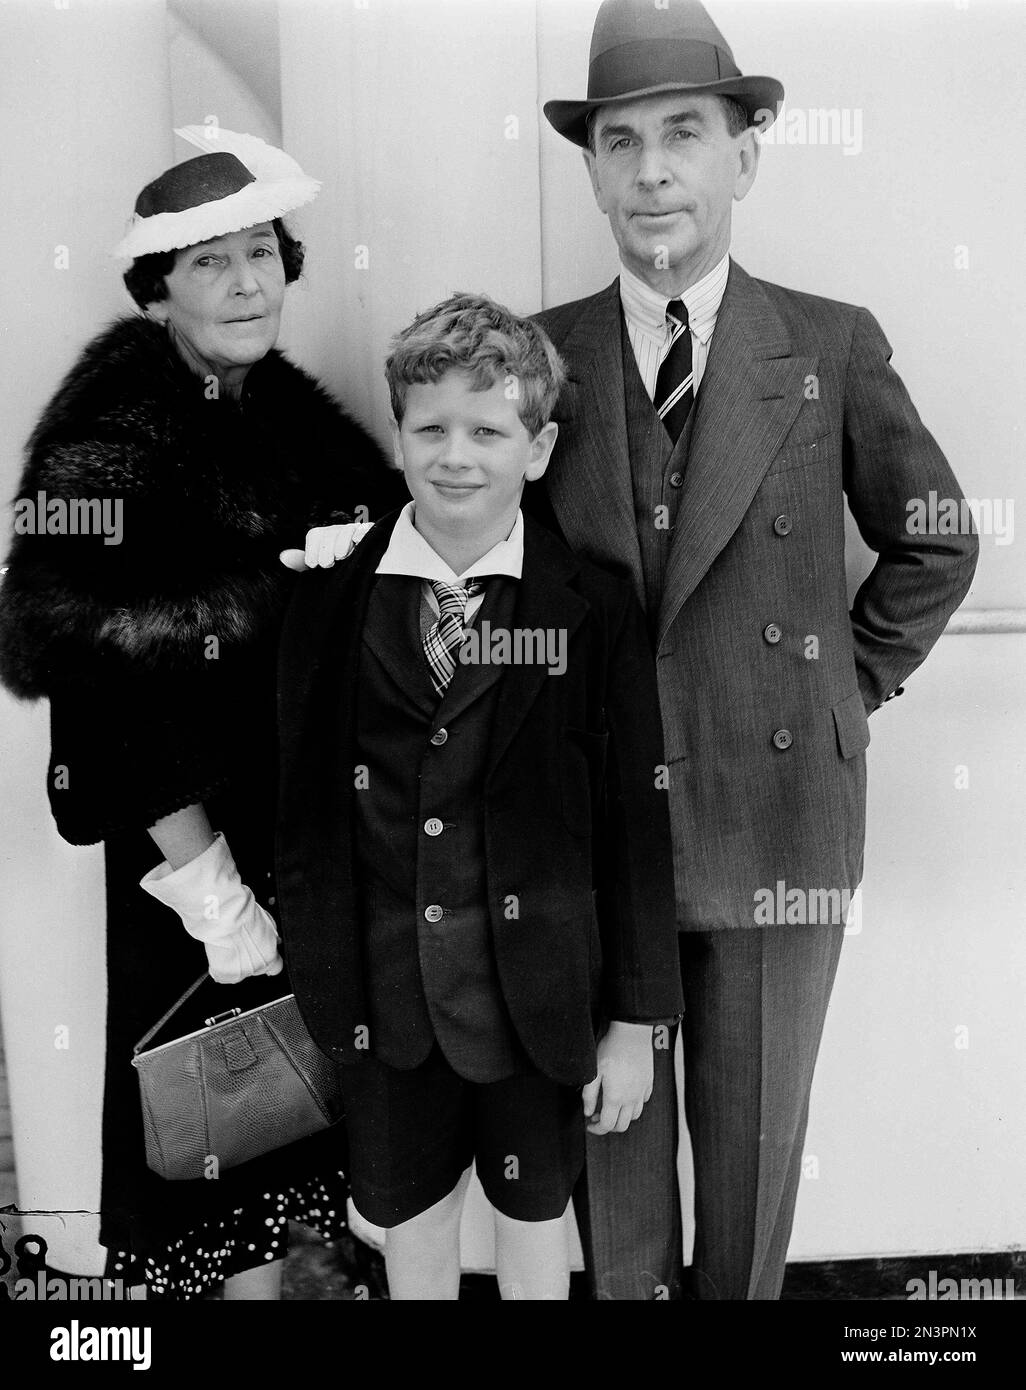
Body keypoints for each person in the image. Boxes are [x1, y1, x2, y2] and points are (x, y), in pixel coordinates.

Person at [524, 0, 980, 1298]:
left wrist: (848, 685)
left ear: (744, 155)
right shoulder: (537, 357)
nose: (653, 169)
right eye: (622, 142)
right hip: (598, 840)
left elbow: (935, 539)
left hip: (777, 823)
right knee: (612, 1191)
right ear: (594, 168)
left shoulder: (828, 343)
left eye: (684, 133)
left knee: (747, 1184)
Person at [0, 127, 404, 1299]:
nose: (244, 283)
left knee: (308, 1142)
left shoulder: (287, 410)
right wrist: (209, 888)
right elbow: (82, 656)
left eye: (261, 254)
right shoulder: (113, 429)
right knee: (214, 1127)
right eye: (209, 262)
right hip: (192, 850)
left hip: (309, 838)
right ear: (157, 288)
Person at [274, 293, 683, 1300]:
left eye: (489, 430)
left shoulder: (589, 609)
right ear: (399, 438)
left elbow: (635, 824)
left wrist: (635, 1021)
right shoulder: (332, 596)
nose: (458, 455)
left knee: (533, 1222)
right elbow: (303, 805)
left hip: (537, 1003)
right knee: (410, 1229)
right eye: (431, 429)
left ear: (537, 449)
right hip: (383, 1003)